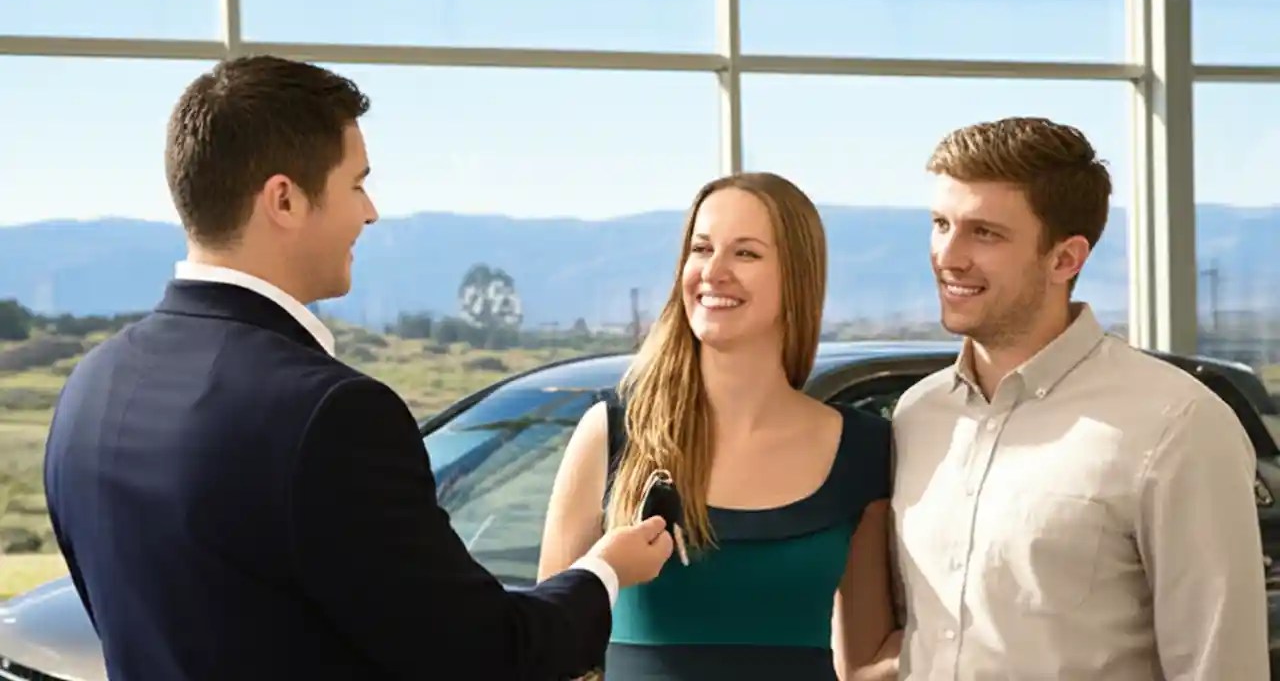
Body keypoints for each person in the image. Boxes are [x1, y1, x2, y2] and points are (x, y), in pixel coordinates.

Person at [42, 55, 673, 681]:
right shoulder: (330, 414)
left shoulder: (90, 389)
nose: (369, 212)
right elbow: (485, 655)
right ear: (284, 200)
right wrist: (605, 570)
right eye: (356, 184)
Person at [890, 116, 1269, 679]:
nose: (949, 255)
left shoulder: (1177, 424)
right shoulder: (918, 416)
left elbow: (1220, 665)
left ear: (1066, 259)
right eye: (941, 223)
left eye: (984, 233)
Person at [537, 172, 901, 680]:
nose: (714, 272)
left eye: (746, 254)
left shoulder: (863, 447)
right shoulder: (614, 432)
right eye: (702, 249)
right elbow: (547, 650)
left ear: (797, 276)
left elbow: (863, 663)